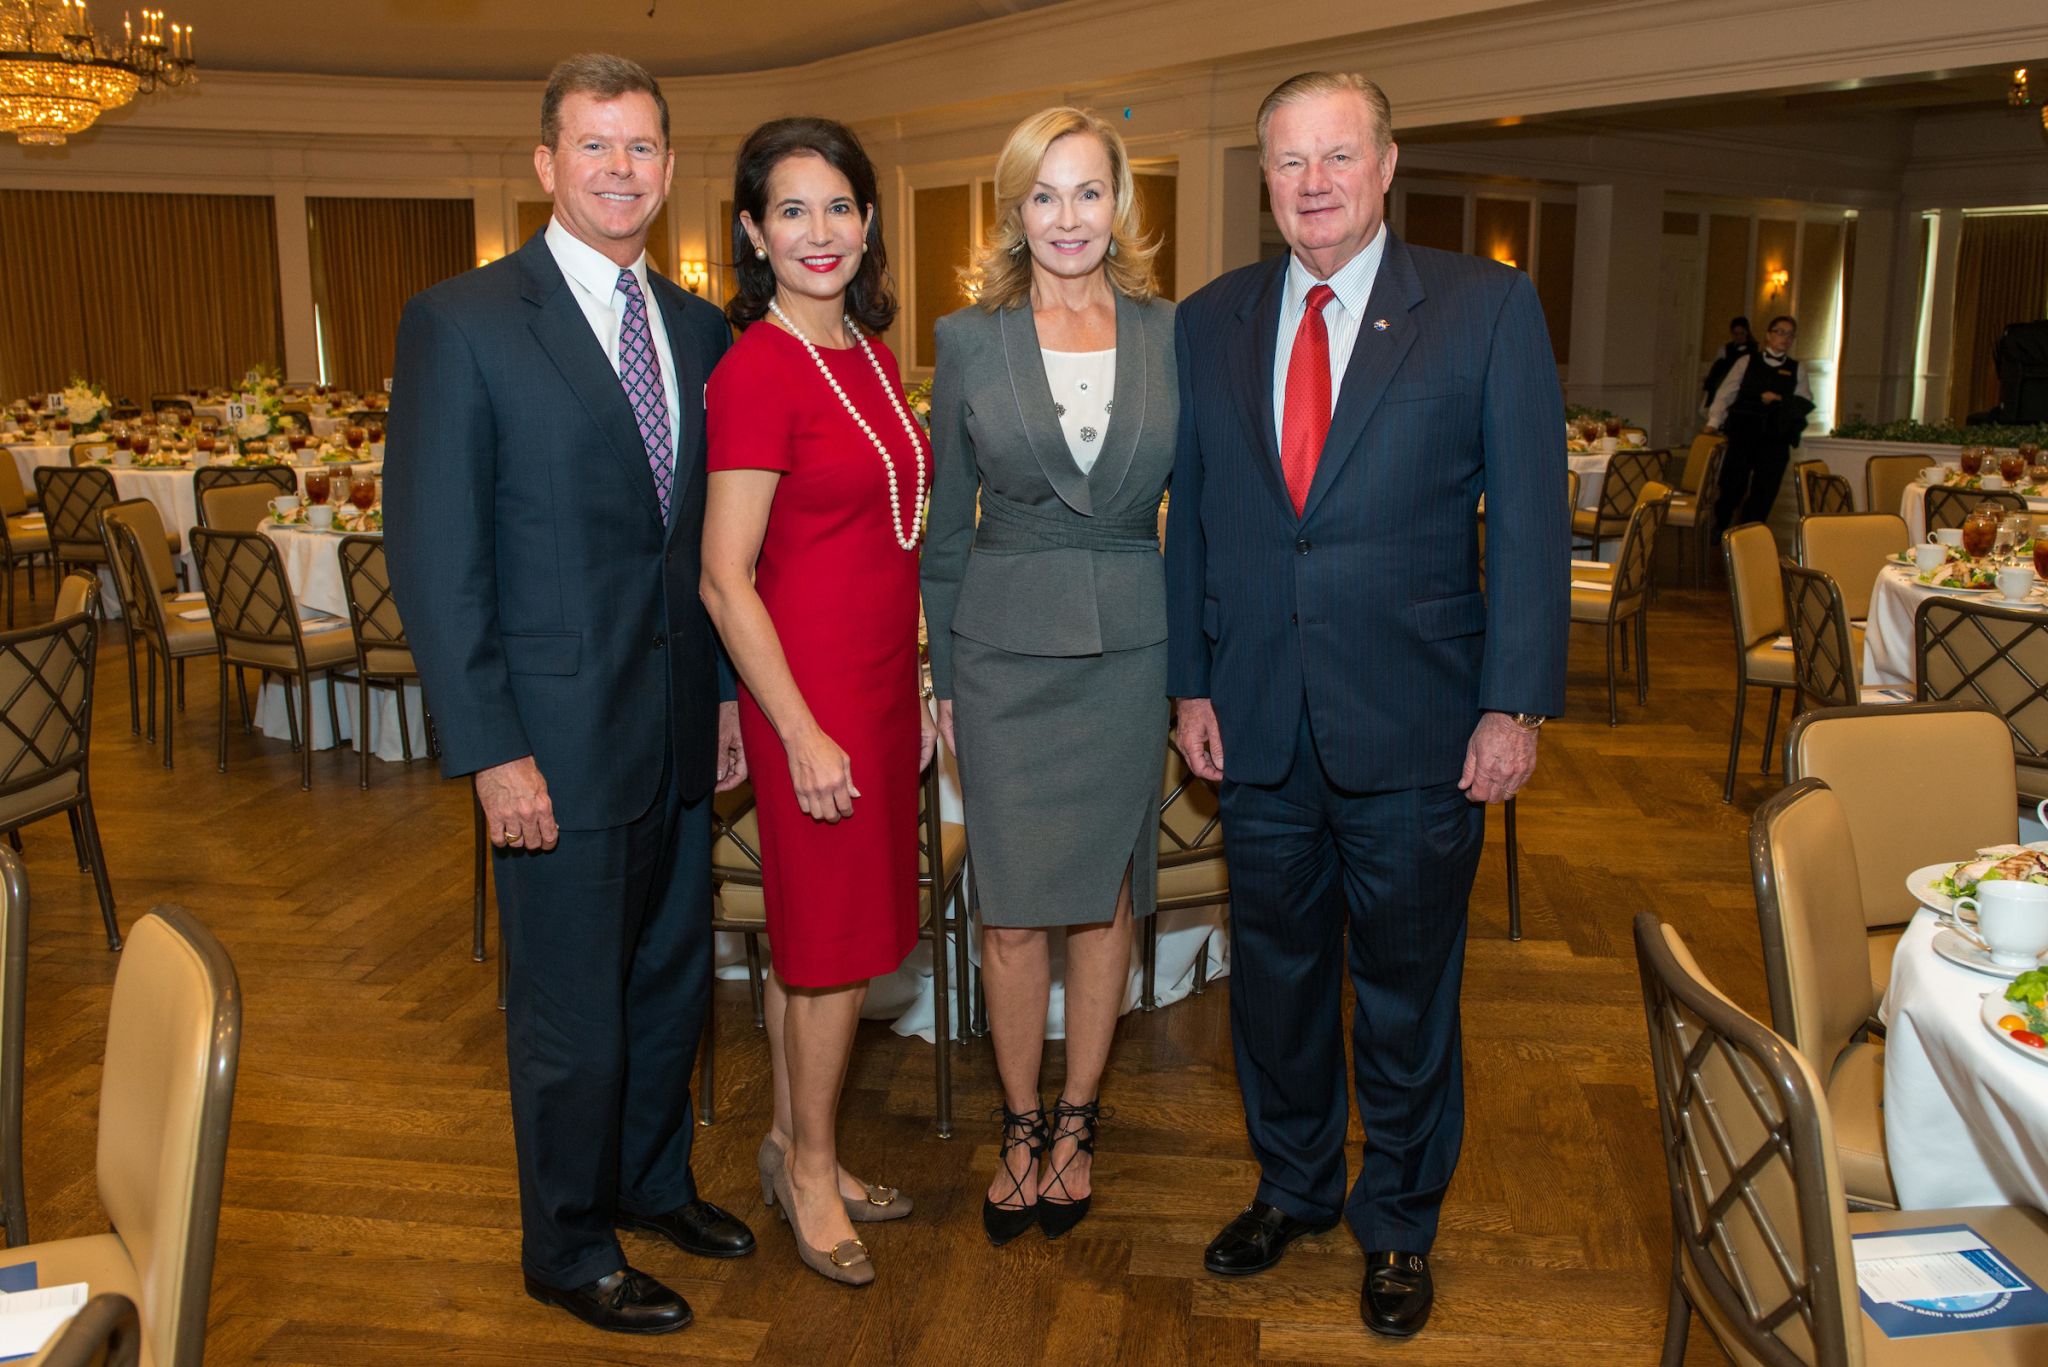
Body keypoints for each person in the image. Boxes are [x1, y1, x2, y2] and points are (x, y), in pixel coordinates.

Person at [1164, 71, 1567, 1338]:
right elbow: (1196, 528)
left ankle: (1398, 1220)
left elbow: (1535, 532)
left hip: (1418, 725)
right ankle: (1292, 1184)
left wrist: (1513, 706)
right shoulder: (1210, 319)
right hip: (1258, 720)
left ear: (1387, 164)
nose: (1314, 182)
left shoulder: (1483, 308)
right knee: (1274, 982)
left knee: (1402, 991)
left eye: (1338, 155)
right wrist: (1189, 680)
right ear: (1264, 179)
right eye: (1289, 162)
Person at [383, 53, 755, 1337]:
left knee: (667, 983)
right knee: (566, 1011)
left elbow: (699, 545)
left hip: (671, 728)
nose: (619, 169)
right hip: (547, 743)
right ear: (544, 163)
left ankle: (653, 1183)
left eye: (642, 147)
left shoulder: (701, 329)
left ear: (667, 164)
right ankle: (566, 1241)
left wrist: (715, 705)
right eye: (593, 146)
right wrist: (490, 749)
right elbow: (436, 559)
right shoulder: (463, 321)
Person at [920, 107, 1177, 1247]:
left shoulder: (1175, 332)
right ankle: (1017, 1122)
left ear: (1118, 201)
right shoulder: (968, 338)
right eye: (1043, 195)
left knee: (1108, 898)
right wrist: (936, 669)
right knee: (1013, 909)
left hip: (1131, 644)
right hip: (1000, 651)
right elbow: (942, 526)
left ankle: (1079, 1119)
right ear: (1013, 209)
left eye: (1087, 191)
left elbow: (1208, 509)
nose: (1067, 217)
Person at [700, 116, 933, 1288]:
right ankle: (807, 1173)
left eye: (837, 205)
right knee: (828, 954)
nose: (818, 230)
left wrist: (924, 674)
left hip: (884, 689)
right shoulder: (755, 370)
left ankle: (798, 1140)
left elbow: (894, 534)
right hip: (814, 704)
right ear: (752, 232)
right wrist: (795, 728)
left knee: (827, 955)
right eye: (789, 210)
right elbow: (722, 575)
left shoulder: (871, 355)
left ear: (868, 219)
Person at [1707, 314, 1814, 527]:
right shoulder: (1746, 361)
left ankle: (1751, 530)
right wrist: (1713, 422)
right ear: (1768, 335)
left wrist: (1780, 399)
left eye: (1790, 334)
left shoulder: (1796, 368)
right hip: (1744, 431)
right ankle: (1720, 527)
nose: (1785, 338)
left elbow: (1805, 400)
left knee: (1766, 488)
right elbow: (1726, 393)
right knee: (1732, 483)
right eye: (1780, 332)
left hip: (1776, 435)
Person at [1701, 314, 1755, 409]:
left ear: (1747, 332)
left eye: (1741, 333)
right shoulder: (1725, 349)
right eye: (1735, 334)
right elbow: (1716, 367)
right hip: (1726, 384)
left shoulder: (1754, 349)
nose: (1738, 337)